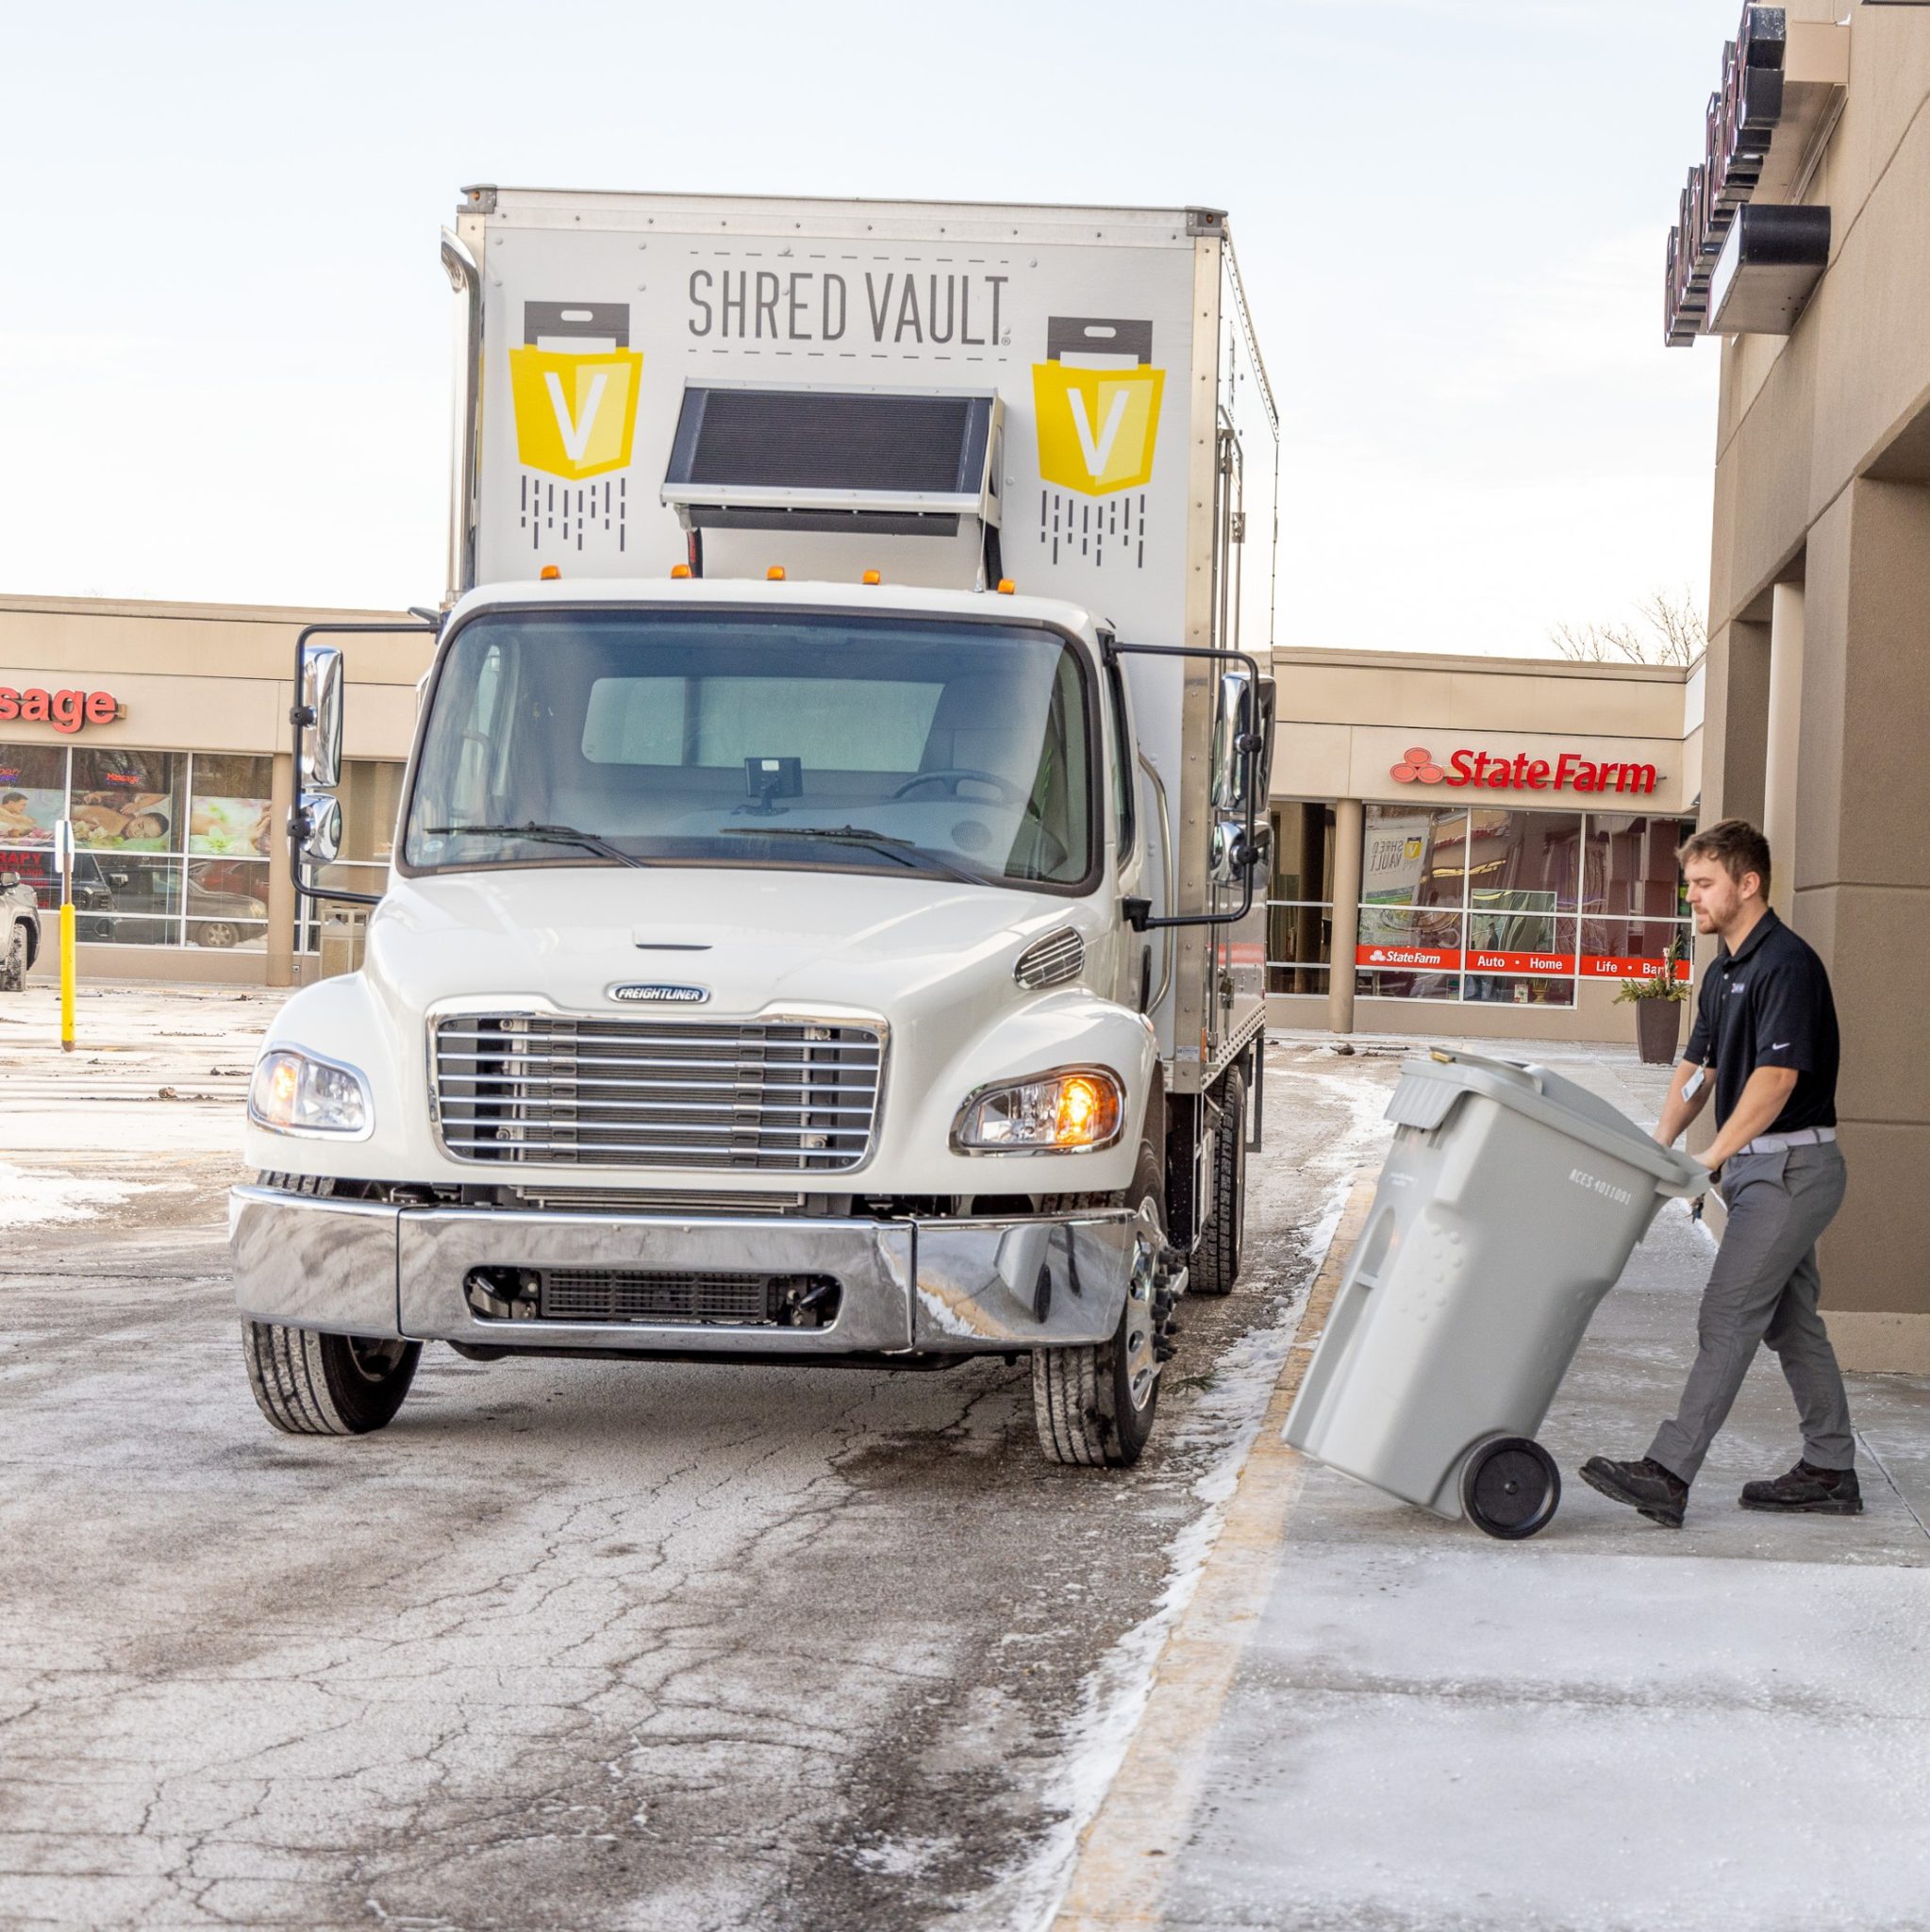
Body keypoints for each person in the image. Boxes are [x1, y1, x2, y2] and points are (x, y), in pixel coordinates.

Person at [1582, 819, 1856, 1528]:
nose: (1692, 897)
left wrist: (1710, 1156)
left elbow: (1776, 1079)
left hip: (1792, 1167)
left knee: (1728, 1313)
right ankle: (1831, 1470)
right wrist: (1659, 1145)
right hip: (1762, 1170)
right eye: (1691, 884)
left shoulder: (1785, 965)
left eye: (1704, 884)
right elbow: (1696, 1070)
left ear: (1748, 883)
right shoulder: (1724, 969)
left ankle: (1668, 1474)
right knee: (1791, 1323)